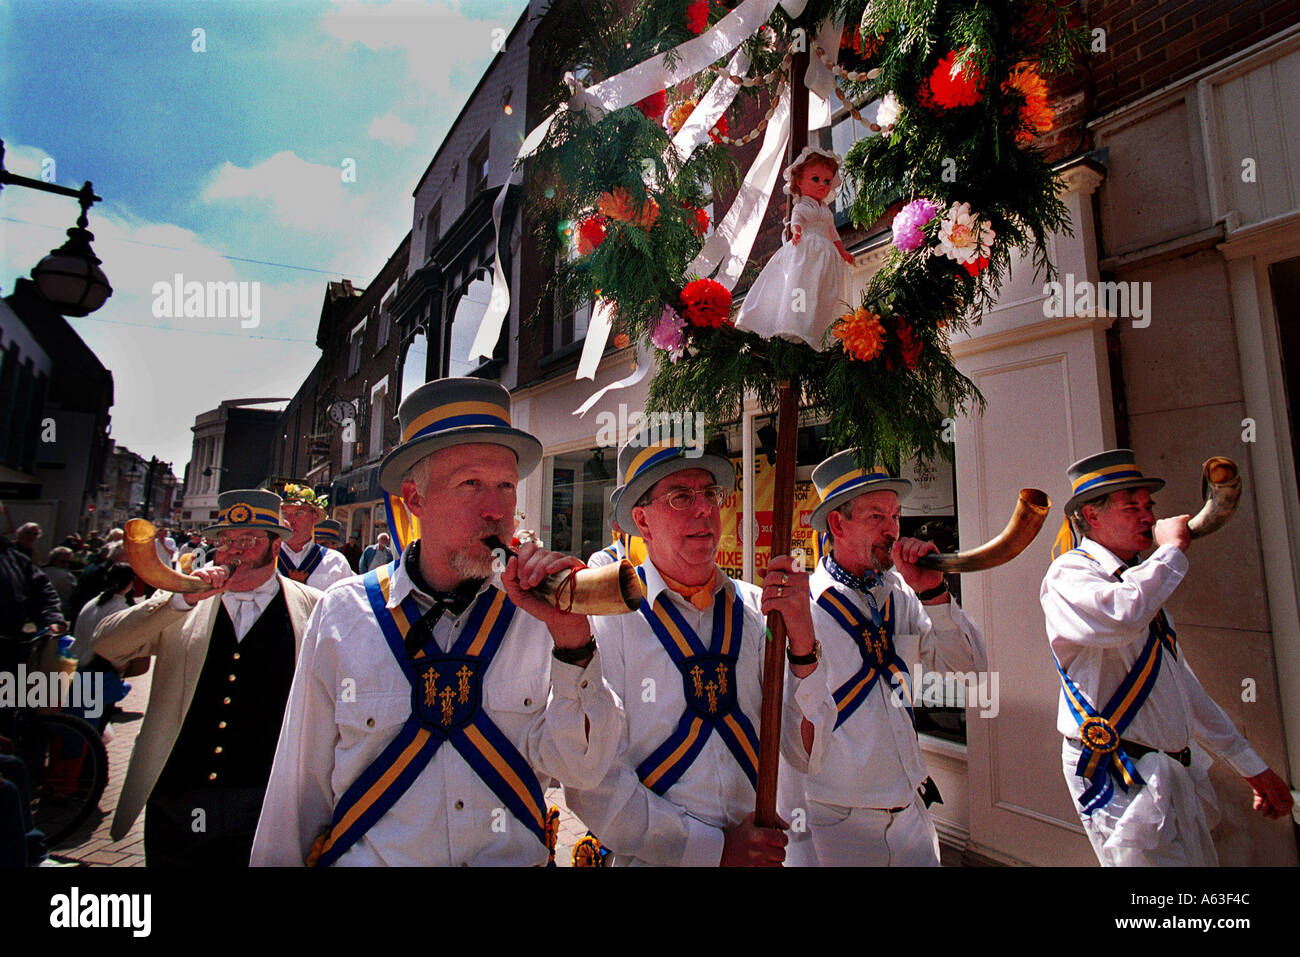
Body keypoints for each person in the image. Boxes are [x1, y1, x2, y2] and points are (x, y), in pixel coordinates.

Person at [251, 377, 623, 866]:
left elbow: (584, 768)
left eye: (506, 486)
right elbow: (298, 791)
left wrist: (573, 642)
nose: (496, 510)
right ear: (415, 500)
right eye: (470, 483)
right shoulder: (343, 613)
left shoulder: (541, 616)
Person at [562, 426, 833, 866]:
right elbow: (593, 783)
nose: (705, 509)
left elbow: (808, 753)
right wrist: (714, 850)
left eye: (710, 493)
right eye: (680, 497)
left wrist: (803, 643)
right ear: (643, 519)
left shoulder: (758, 610)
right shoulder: (609, 623)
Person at [1040, 449, 1293, 866]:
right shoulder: (1069, 574)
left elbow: (1184, 692)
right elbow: (1122, 616)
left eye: (1149, 507)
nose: (1147, 517)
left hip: (1168, 773)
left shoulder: (1137, 582)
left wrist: (1251, 766)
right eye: (1132, 507)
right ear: (1092, 515)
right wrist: (1172, 550)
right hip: (1114, 774)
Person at [91, 489, 322, 866]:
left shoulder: (312, 606)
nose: (233, 550)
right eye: (226, 540)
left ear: (276, 546)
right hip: (179, 793)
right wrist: (178, 600)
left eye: (248, 540)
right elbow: (107, 644)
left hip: (265, 799)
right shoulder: (182, 600)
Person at [788, 450, 987, 866]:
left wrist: (934, 594)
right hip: (837, 824)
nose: (893, 530)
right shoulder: (802, 610)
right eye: (876, 516)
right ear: (837, 524)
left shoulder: (901, 595)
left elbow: (969, 675)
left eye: (895, 516)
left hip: (912, 814)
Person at [733, 145, 855, 349]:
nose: (822, 185)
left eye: (826, 181)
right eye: (815, 179)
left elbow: (833, 233)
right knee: (801, 286)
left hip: (826, 257)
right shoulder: (803, 205)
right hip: (806, 252)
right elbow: (795, 219)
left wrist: (842, 252)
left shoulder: (825, 210)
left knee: (824, 291)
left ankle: (820, 326)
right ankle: (795, 321)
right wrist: (797, 231)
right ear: (799, 181)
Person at [275, 484, 352, 590]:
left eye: (299, 513)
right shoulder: (265, 557)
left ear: (314, 517)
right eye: (284, 513)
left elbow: (346, 602)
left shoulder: (335, 562)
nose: (290, 520)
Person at [40, 546, 77, 620]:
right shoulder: (67, 576)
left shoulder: (40, 571)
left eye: (69, 562)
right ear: (53, 560)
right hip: (60, 610)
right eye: (63, 562)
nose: (66, 564)